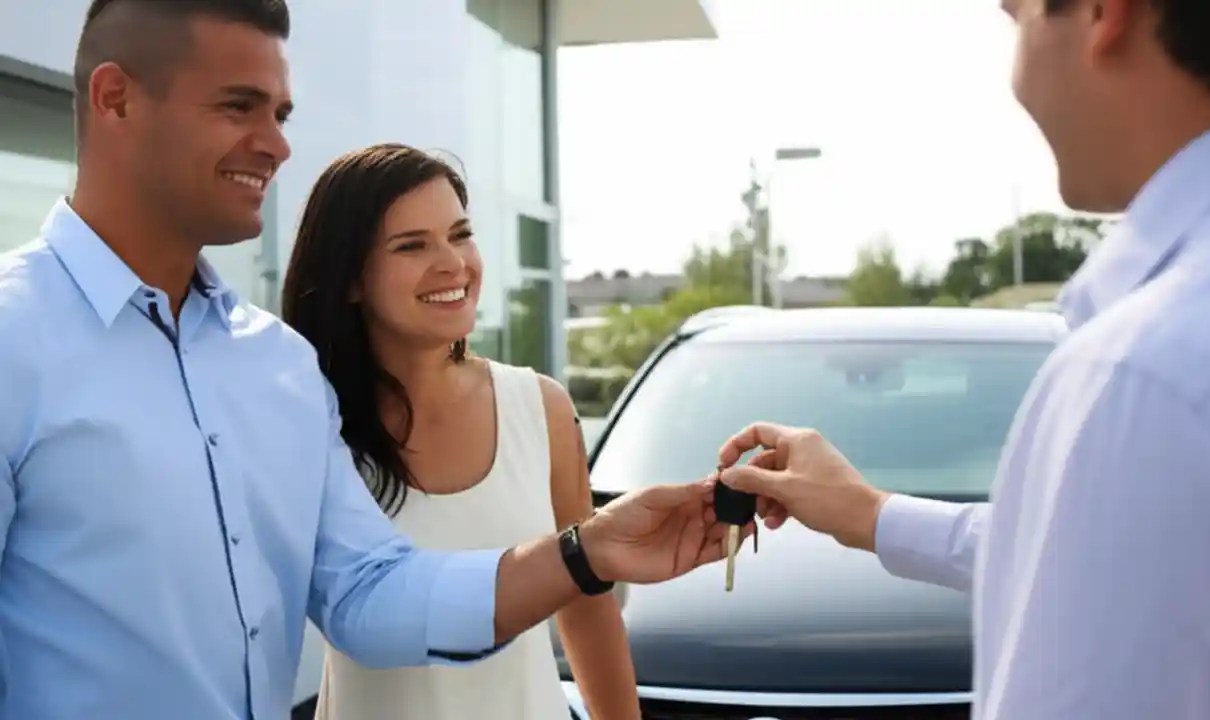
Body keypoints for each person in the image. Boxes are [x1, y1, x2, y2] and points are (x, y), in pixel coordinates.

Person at [0, 3, 745, 719]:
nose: (277, 144)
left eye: (280, 115)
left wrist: (588, 552)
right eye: (238, 106)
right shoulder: (13, 341)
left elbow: (366, 591)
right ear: (116, 100)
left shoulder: (280, 369)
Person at [715, 1, 1210, 718]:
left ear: (1105, 12)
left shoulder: (1151, 381)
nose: (1004, 8)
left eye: (1018, 7)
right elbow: (1096, 566)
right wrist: (872, 513)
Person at [278, 143, 641, 719]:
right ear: (349, 279)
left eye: (461, 234)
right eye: (412, 245)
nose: (453, 263)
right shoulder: (307, 424)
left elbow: (586, 602)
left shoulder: (539, 407)